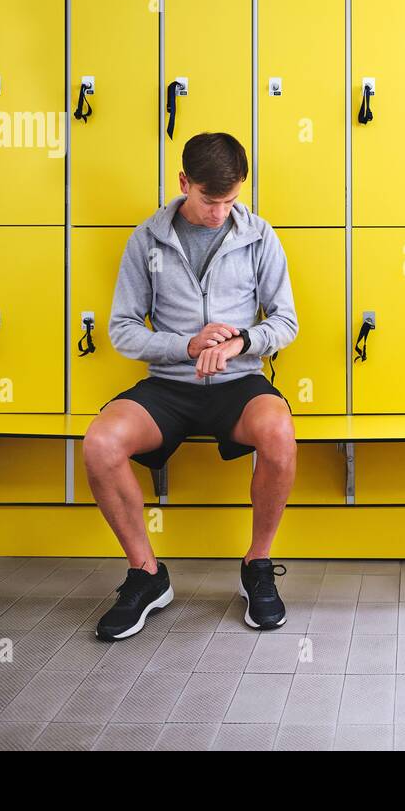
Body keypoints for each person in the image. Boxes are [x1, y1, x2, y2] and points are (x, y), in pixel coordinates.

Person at [83, 132, 299, 640]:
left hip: (238, 382)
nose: (220, 212)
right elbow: (123, 328)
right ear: (185, 183)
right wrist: (186, 345)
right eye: (209, 200)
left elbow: (286, 322)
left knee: (279, 432)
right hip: (169, 387)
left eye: (231, 200)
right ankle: (146, 574)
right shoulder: (147, 238)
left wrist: (240, 341)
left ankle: (258, 565)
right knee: (100, 443)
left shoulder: (259, 235)